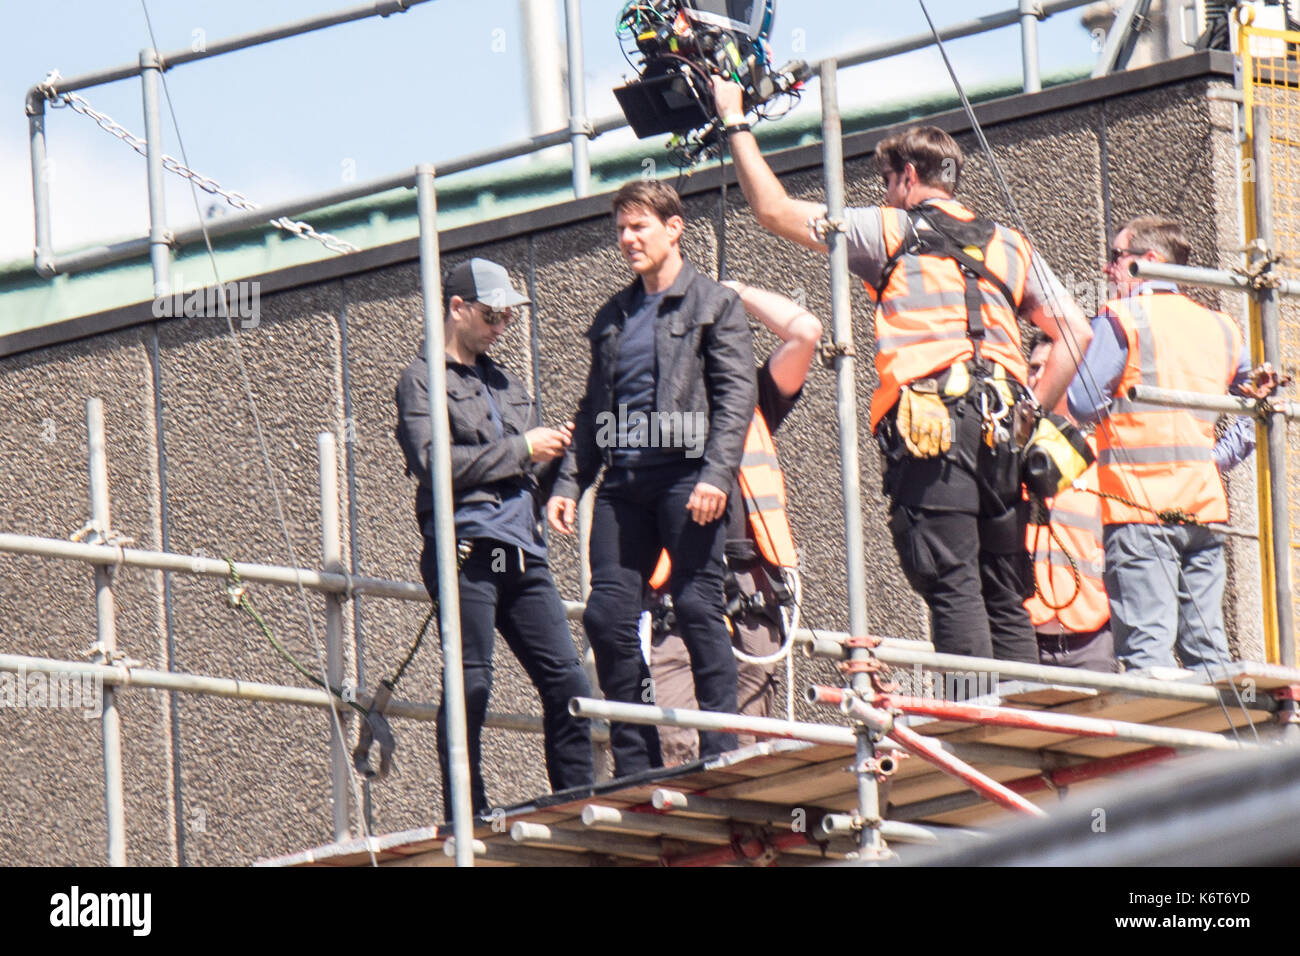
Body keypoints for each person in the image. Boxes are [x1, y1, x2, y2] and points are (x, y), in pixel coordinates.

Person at [713, 78, 1093, 667]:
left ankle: (977, 725)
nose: (885, 195)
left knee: (952, 582)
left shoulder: (890, 229)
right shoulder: (1011, 245)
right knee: (1005, 589)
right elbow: (1076, 331)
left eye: (888, 184)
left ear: (908, 179)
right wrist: (1031, 414)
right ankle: (1027, 724)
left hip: (932, 426)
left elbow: (773, 211)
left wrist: (735, 121)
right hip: (1002, 433)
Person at [546, 180, 757, 777]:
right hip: (624, 486)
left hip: (689, 479)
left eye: (639, 226)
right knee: (607, 617)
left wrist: (717, 474)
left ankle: (721, 744)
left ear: (674, 227)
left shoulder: (713, 303)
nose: (628, 239)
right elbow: (592, 412)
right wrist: (569, 483)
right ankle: (636, 759)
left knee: (695, 605)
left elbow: (737, 397)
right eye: (620, 229)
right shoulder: (612, 316)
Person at [395, 257, 593, 817]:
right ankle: (468, 810)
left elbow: (539, 467)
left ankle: (576, 801)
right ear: (456, 308)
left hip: (524, 551)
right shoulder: (421, 380)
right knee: (472, 681)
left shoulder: (508, 382)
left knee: (569, 683)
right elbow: (435, 462)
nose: (501, 325)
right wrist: (526, 448)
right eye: (491, 314)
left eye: (508, 315)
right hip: (466, 548)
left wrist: (565, 475)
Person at [1066, 216, 1265, 673]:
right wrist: (1218, 457)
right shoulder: (1220, 328)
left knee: (1145, 654)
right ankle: (1232, 745)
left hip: (1139, 511)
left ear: (1148, 262)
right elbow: (1261, 406)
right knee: (1208, 653)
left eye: (1116, 258)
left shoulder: (1122, 319)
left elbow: (1079, 401)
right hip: (1202, 512)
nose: (1107, 270)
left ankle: (1170, 747)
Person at [647, 282, 821, 765]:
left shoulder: (752, 400)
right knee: (677, 746)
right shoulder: (647, 409)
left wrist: (735, 293)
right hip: (674, 598)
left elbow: (805, 332)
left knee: (746, 748)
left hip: (746, 593)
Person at [1023, 335, 1119, 673]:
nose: (1036, 377)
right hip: (1025, 642)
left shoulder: (1102, 461)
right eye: (1032, 368)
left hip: (1091, 643)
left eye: (1047, 368)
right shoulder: (1008, 457)